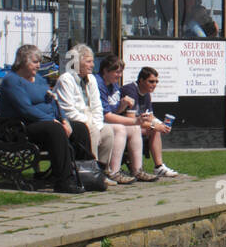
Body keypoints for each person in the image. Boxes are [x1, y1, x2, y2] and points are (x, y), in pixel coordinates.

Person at [0, 44, 84, 194]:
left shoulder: (38, 79)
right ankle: (63, 180)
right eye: (34, 62)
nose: (38, 65)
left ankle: (86, 174)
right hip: (21, 127)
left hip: (44, 123)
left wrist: (64, 120)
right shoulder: (12, 81)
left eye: (39, 62)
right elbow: (25, 109)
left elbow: (53, 101)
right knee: (55, 129)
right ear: (22, 61)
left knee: (79, 128)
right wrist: (52, 121)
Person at [52, 45, 126, 185]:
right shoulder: (66, 79)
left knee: (107, 131)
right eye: (88, 61)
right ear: (77, 62)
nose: (92, 65)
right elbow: (68, 111)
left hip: (90, 119)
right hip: (71, 122)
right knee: (90, 130)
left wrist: (98, 125)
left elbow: (97, 106)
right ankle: (91, 172)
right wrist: (91, 125)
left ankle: (103, 170)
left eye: (92, 61)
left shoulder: (91, 79)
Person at [94, 53, 155, 182]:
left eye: (121, 72)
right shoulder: (98, 83)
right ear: (106, 70)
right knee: (121, 129)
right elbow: (107, 116)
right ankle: (113, 171)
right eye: (117, 72)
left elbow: (114, 110)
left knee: (135, 129)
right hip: (97, 122)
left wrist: (122, 105)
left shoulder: (114, 85)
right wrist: (135, 121)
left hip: (107, 120)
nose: (120, 75)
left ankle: (137, 170)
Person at [117, 66, 179, 178]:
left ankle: (159, 167)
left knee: (156, 129)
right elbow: (131, 119)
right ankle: (158, 167)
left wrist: (161, 124)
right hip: (122, 127)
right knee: (154, 129)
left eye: (156, 82)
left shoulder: (146, 93)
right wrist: (155, 126)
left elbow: (150, 116)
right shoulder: (131, 90)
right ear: (141, 80)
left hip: (135, 126)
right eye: (151, 81)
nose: (154, 84)